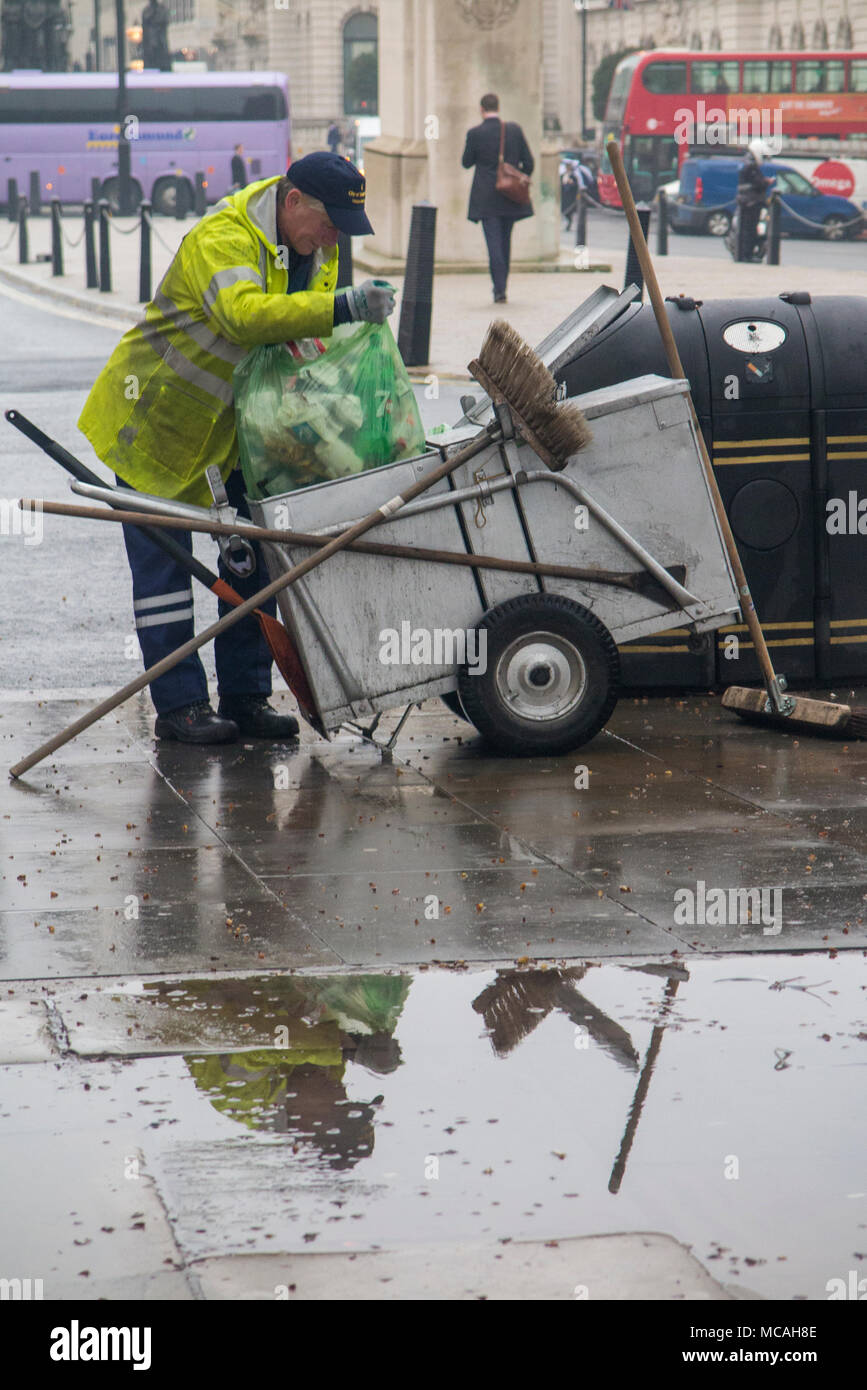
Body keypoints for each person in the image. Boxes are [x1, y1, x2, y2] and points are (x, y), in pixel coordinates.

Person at [78, 152, 396, 745]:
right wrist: (344, 307)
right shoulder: (222, 238)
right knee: (165, 580)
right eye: (327, 225)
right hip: (158, 431)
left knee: (251, 569)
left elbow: (295, 342)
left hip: (239, 442)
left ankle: (246, 697)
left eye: (339, 233)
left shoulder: (315, 250)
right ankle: (181, 709)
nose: (331, 242)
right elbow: (245, 317)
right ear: (293, 200)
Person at [462, 92, 534, 304]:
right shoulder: (513, 130)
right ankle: (503, 287)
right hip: (510, 196)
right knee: (505, 242)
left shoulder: (475, 133)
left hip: (486, 197)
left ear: (482, 109)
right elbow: (529, 163)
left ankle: (499, 290)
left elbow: (466, 162)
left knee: (493, 244)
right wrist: (515, 175)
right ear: (498, 107)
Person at [736, 138, 774, 262]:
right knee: (750, 230)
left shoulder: (746, 163)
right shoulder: (751, 166)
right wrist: (766, 182)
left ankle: (743, 254)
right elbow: (758, 183)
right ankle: (747, 255)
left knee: (746, 229)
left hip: (746, 201)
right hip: (752, 202)